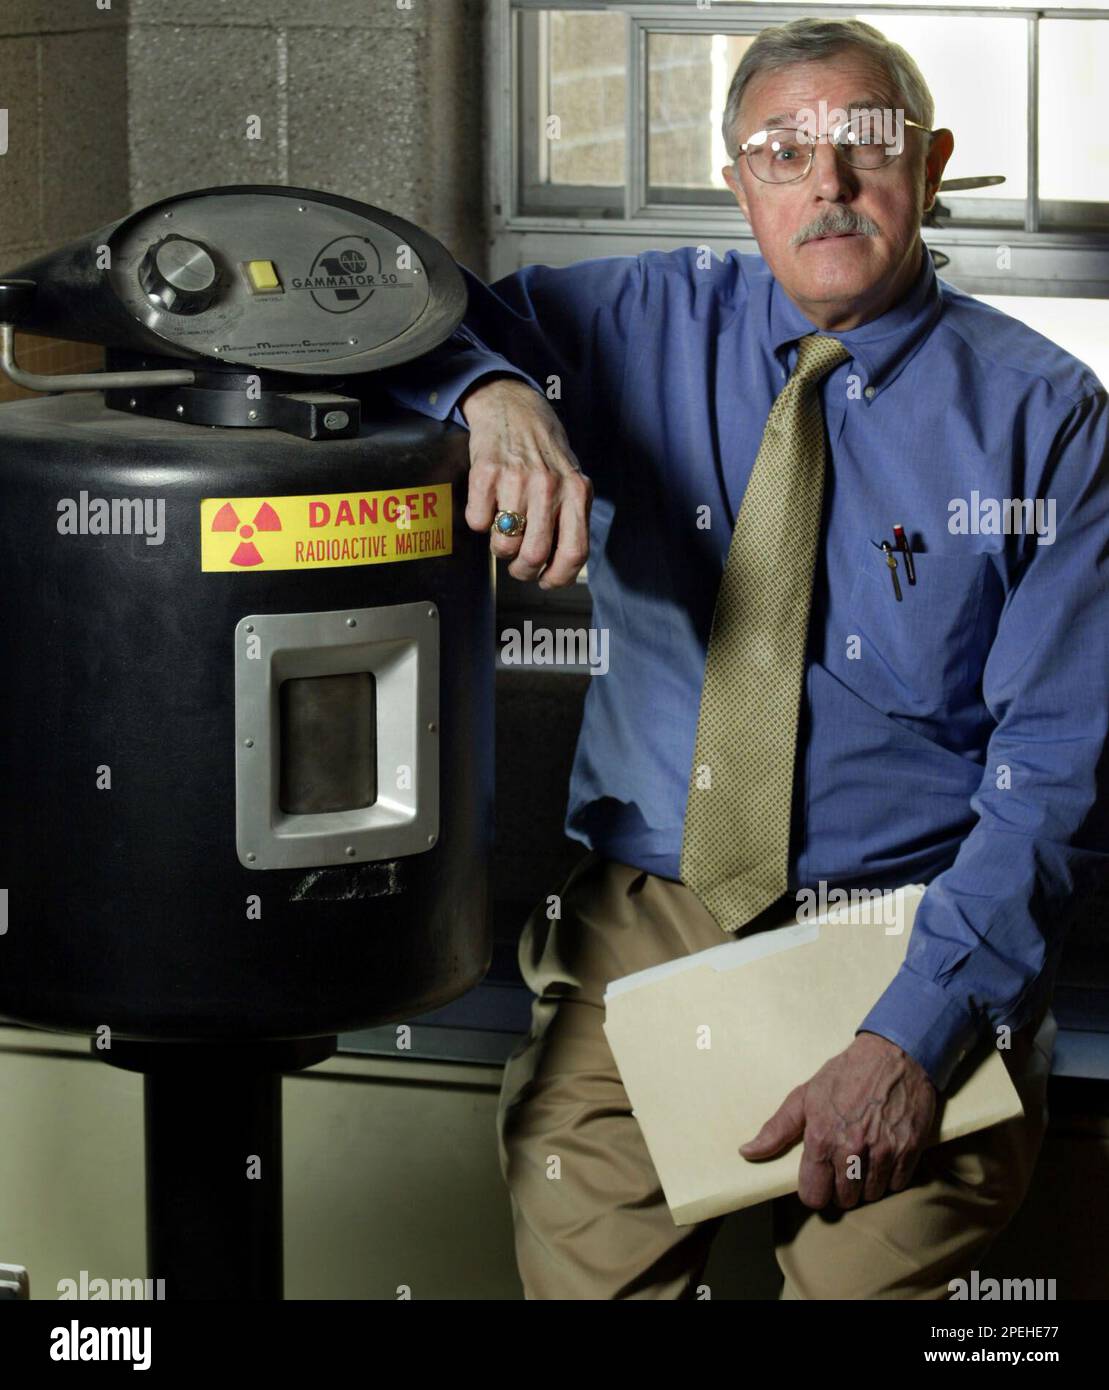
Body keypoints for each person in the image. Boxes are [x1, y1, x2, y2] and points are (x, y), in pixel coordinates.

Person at [382, 17, 1108, 1299]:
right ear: (738, 185)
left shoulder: (1048, 421)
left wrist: (915, 1032)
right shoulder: (629, 322)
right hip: (641, 931)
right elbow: (389, 302)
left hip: (913, 928)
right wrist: (490, 393)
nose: (822, 184)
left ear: (928, 167)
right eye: (781, 152)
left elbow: (1054, 770)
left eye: (862, 146)